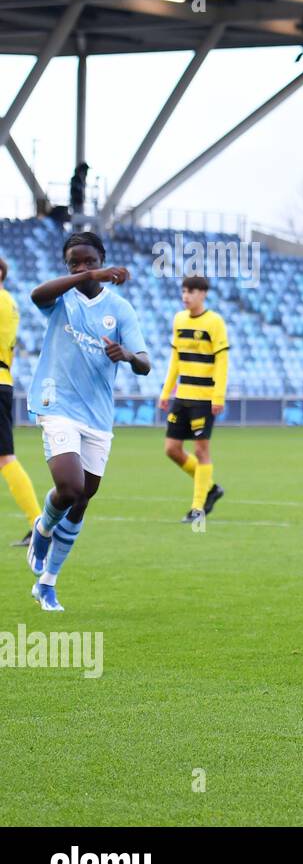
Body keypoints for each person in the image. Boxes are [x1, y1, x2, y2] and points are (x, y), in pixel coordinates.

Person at [26, 232, 150, 610]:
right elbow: (36, 295)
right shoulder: (62, 297)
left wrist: (126, 354)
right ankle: (43, 528)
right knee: (69, 486)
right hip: (56, 403)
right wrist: (83, 278)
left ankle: (48, 583)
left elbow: (145, 364)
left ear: (102, 259)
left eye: (88, 262)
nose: (81, 268)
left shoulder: (121, 310)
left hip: (97, 417)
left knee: (82, 500)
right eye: (73, 263)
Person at [158, 274, 229, 522]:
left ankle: (198, 507)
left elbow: (222, 360)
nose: (185, 296)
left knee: (201, 450)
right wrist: (166, 392)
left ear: (203, 294)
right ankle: (211, 488)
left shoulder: (214, 322)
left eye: (191, 291)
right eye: (184, 291)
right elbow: (176, 359)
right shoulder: (178, 320)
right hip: (182, 396)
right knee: (172, 449)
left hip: (204, 399)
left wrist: (218, 395)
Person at [0, 255, 41, 546]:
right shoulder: (10, 303)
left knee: (6, 457)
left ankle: (38, 523)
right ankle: (38, 523)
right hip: (4, 379)